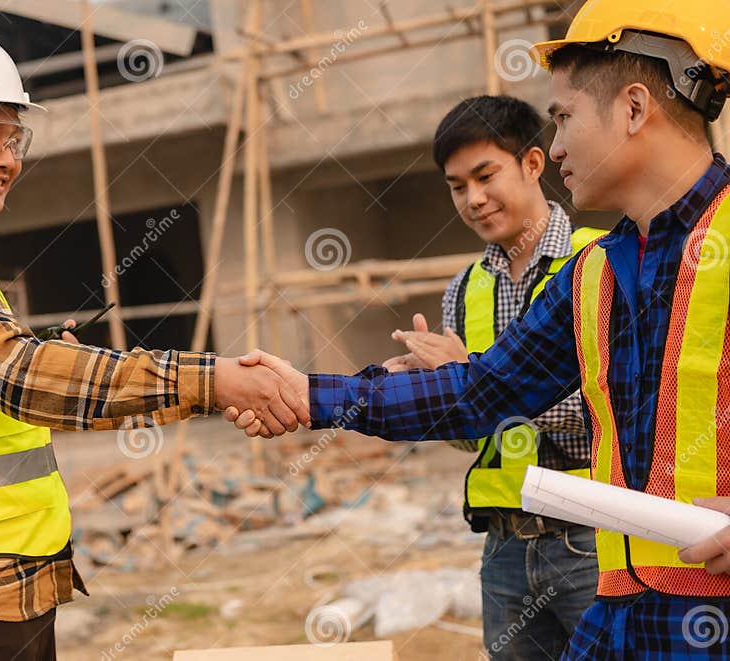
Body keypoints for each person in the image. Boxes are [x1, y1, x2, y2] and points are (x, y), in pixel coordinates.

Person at [226, 0, 730, 656]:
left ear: (634, 109)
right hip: (624, 609)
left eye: (565, 118)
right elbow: (477, 392)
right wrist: (305, 393)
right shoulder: (594, 274)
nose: (556, 148)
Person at [0, 29, 308, 661]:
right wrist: (214, 381)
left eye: (15, 139)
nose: (8, 160)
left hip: (4, 584)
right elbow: (18, 377)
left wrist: (49, 356)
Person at [381, 95, 601, 660]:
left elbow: (610, 405)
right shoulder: (464, 290)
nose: (474, 199)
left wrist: (468, 376)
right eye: (458, 186)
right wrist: (427, 392)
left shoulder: (597, 262)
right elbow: (467, 432)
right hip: (503, 549)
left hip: (592, 543)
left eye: (485, 175)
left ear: (533, 164)